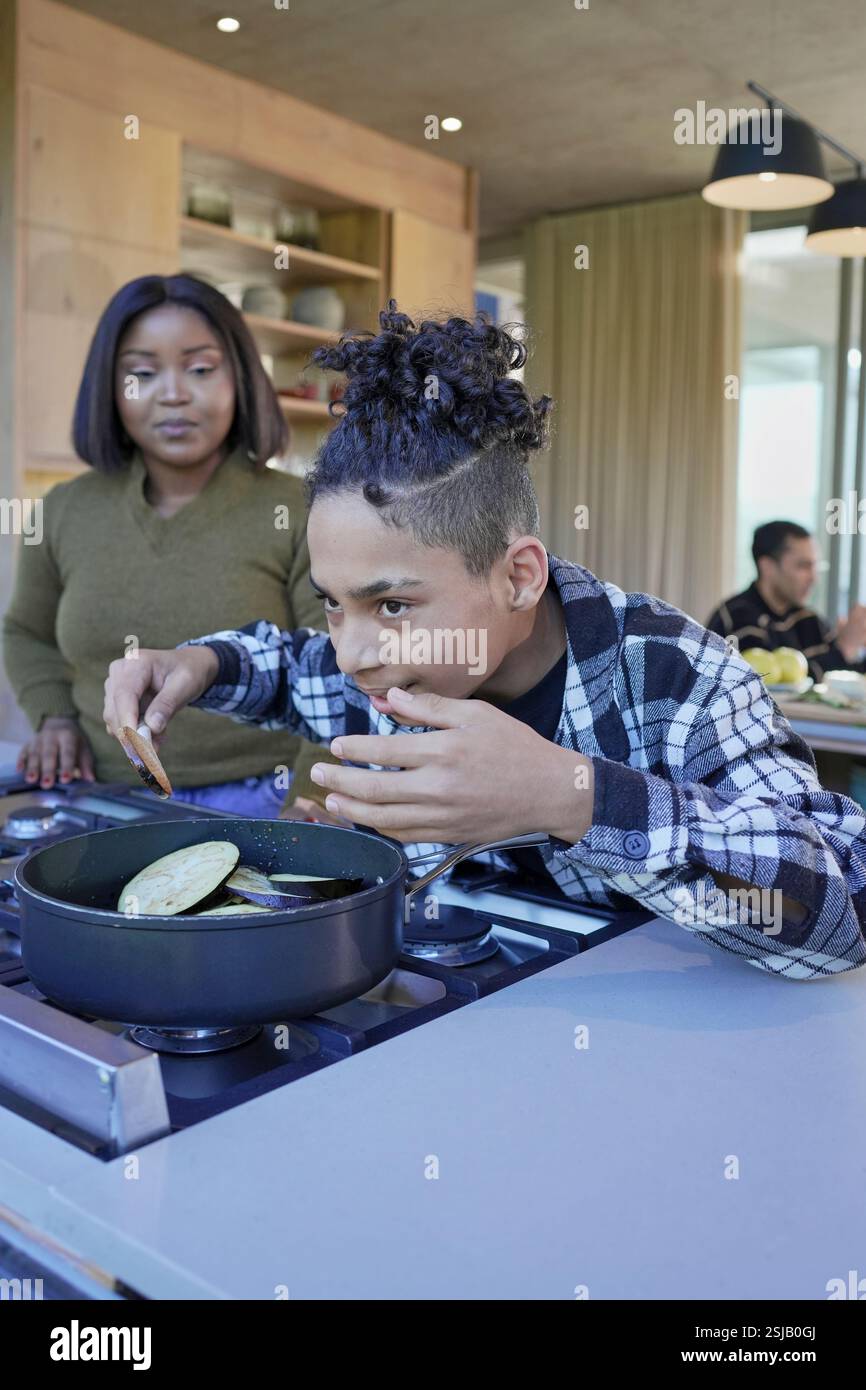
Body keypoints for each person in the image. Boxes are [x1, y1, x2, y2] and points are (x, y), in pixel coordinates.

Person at [102, 302, 866, 979]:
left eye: (394, 603)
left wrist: (569, 796)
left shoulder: (676, 676)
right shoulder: (379, 669)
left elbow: (843, 904)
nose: (352, 653)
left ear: (520, 578)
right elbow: (282, 668)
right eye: (331, 603)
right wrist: (193, 665)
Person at [3, 274, 338, 819]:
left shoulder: (304, 509)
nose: (174, 393)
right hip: (105, 800)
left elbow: (338, 666)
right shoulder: (65, 509)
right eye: (142, 373)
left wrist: (311, 805)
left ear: (240, 378)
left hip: (263, 803)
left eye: (201, 368)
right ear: (110, 388)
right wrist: (54, 717)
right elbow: (25, 632)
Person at [706, 520, 866, 680]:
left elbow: (845, 675)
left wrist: (853, 643)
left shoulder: (808, 618)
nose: (814, 578)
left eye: (815, 566)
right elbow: (766, 687)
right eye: (803, 566)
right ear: (767, 567)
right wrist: (845, 648)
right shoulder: (737, 618)